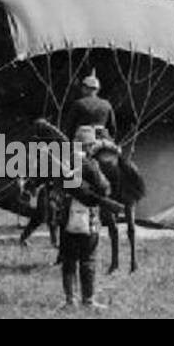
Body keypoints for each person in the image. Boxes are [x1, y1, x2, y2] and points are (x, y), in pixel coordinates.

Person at [56, 125, 115, 309]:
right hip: (89, 220)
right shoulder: (91, 165)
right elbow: (105, 189)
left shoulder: (64, 164)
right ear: (89, 146)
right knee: (88, 259)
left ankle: (70, 300)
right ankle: (88, 300)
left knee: (68, 259)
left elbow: (58, 187)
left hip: (66, 218)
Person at [61, 71, 117, 140]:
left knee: (76, 150)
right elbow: (112, 128)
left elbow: (70, 128)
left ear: (85, 88)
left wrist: (67, 143)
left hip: (83, 135)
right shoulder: (106, 104)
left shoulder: (78, 104)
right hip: (102, 135)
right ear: (97, 89)